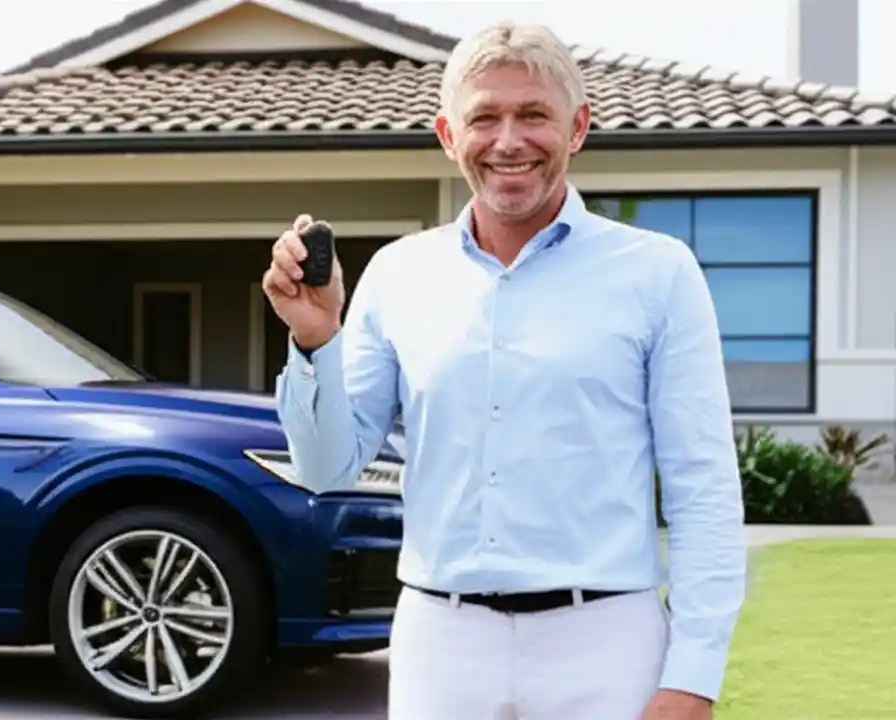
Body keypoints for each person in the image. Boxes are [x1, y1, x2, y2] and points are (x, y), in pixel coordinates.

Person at [261, 20, 747, 720]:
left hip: (607, 643)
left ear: (577, 127)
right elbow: (328, 466)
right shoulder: (399, 274)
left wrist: (693, 676)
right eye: (484, 117)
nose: (508, 140)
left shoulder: (657, 273)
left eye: (533, 115)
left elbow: (703, 488)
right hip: (441, 643)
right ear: (448, 135)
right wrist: (315, 343)